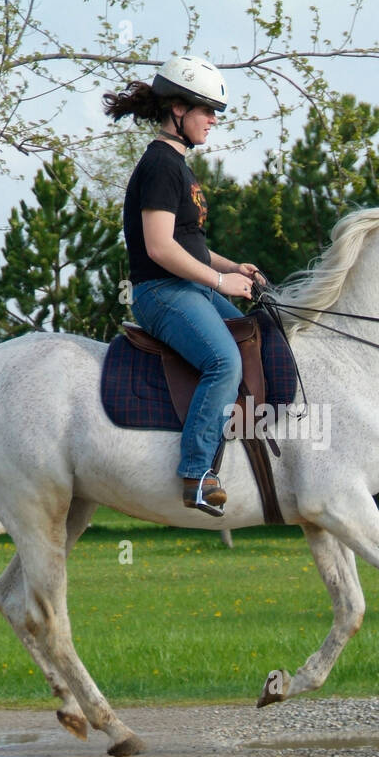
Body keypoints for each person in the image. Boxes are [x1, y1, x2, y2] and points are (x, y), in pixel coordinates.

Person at [102, 56, 266, 516]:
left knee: (259, 338)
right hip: (161, 293)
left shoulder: (180, 166)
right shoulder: (159, 165)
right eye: (206, 110)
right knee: (222, 360)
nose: (214, 120)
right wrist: (220, 281)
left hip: (190, 287)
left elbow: (188, 246)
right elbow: (158, 248)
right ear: (177, 109)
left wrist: (236, 267)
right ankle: (195, 474)